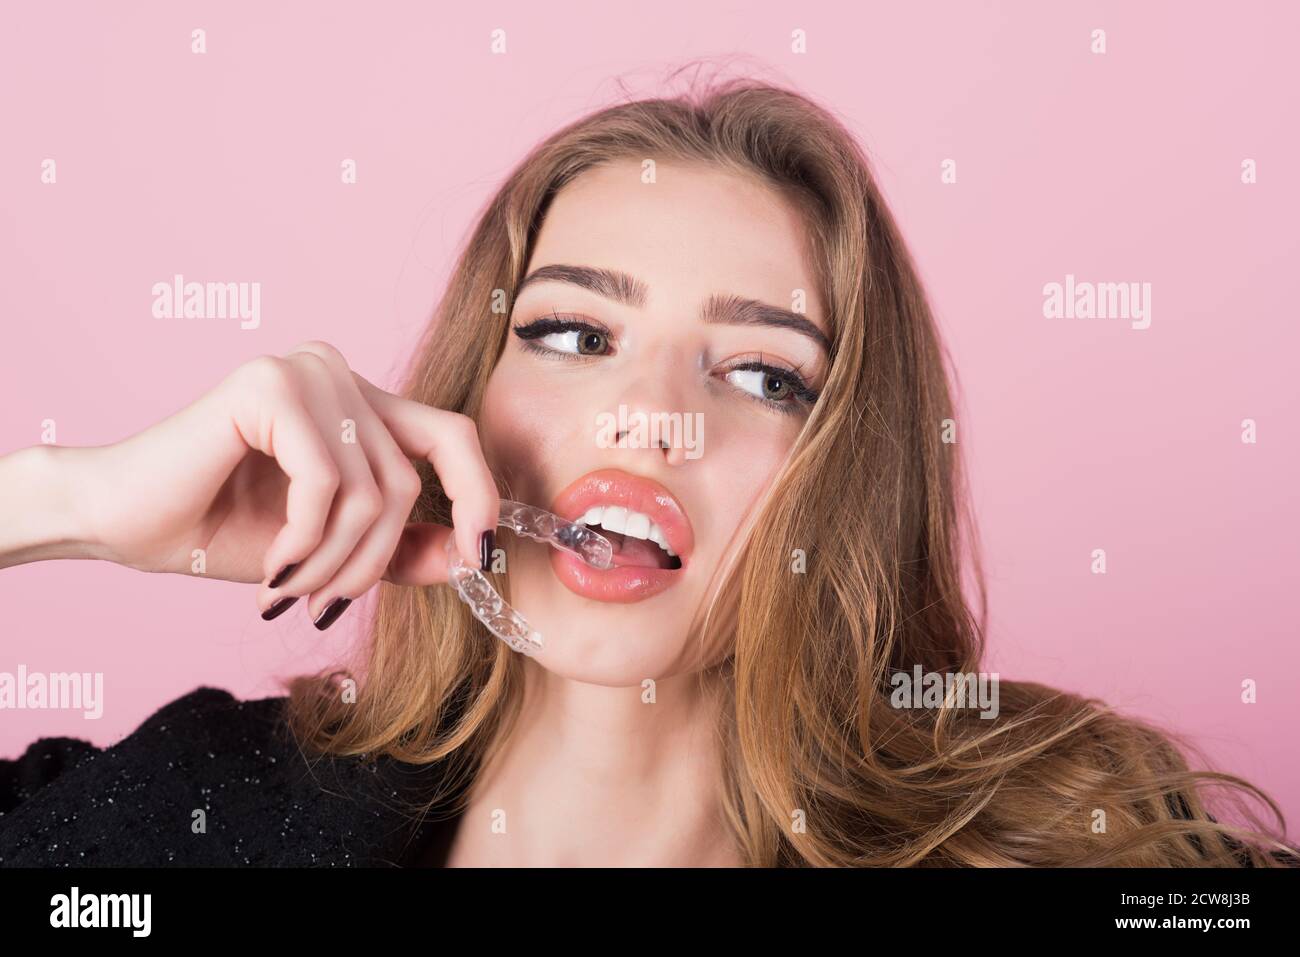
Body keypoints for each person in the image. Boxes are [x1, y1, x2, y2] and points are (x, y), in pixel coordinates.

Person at [1, 75, 1295, 867]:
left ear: (842, 479)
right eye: (573, 334)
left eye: (760, 373)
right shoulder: (198, 813)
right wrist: (69, 505)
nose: (648, 418)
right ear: (465, 398)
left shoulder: (1064, 835)